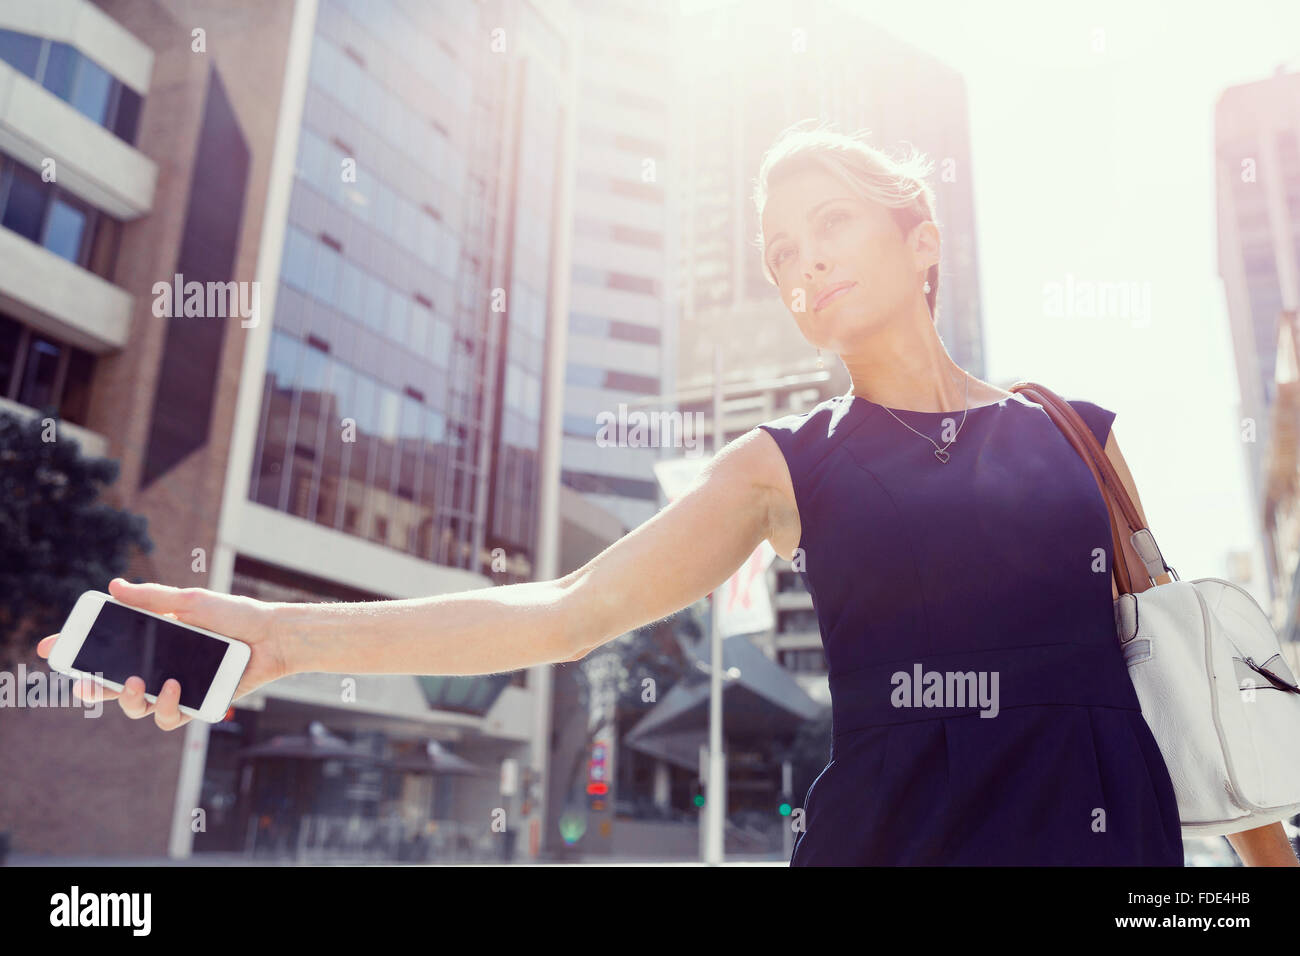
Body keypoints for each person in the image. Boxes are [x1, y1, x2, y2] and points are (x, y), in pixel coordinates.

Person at [37, 121, 1298, 867]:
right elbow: (565, 608)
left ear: (920, 239)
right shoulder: (785, 464)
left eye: (829, 225)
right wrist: (287, 635)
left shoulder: (1069, 431)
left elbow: (1193, 692)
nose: (802, 265)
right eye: (778, 255)